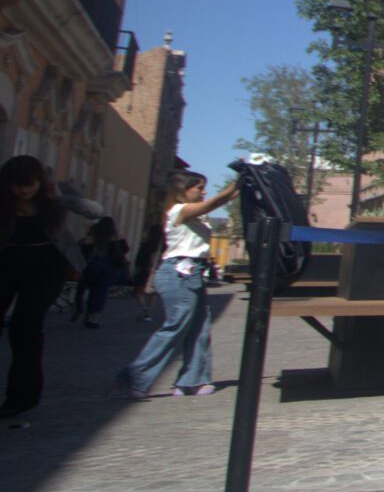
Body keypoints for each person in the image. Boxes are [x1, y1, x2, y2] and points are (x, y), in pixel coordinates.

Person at [118, 170, 238, 399]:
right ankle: (137, 375)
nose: (203, 192)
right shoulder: (178, 210)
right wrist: (235, 184)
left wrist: (238, 187)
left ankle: (193, 380)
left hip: (192, 272)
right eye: (199, 187)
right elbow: (218, 201)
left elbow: (222, 200)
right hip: (179, 272)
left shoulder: (193, 213)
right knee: (177, 324)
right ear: (183, 190)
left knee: (200, 325)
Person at [1, 156, 105, 418]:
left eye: (29, 185)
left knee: (25, 329)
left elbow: (96, 211)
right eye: (17, 186)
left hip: (46, 268)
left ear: (39, 181)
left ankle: (21, 397)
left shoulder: (55, 193)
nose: (23, 191)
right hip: (6, 264)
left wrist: (60, 198)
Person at [71, 216, 129, 329]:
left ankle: (82, 310)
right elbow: (125, 249)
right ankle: (94, 317)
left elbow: (82, 249)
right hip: (109, 268)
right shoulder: (116, 237)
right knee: (100, 292)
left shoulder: (92, 237)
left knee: (86, 289)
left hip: (91, 266)